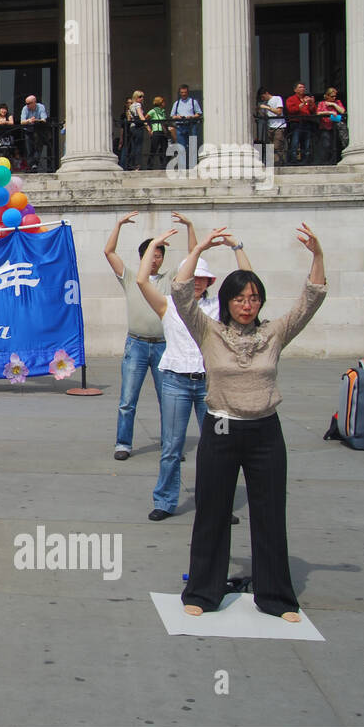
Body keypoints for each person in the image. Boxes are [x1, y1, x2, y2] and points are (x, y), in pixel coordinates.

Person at [175, 224, 326, 622]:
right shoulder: (209, 331)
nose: (248, 305)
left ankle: (275, 596)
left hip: (264, 431)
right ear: (227, 301)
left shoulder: (274, 333)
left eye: (254, 298)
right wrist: (201, 246)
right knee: (213, 511)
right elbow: (179, 291)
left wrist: (318, 255)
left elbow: (309, 301)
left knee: (270, 512)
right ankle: (203, 591)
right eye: (240, 298)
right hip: (221, 428)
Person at [136, 223, 252, 521]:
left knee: (218, 448)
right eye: (192, 278)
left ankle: (219, 504)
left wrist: (237, 248)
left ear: (209, 282)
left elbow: (249, 284)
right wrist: (155, 245)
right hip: (175, 383)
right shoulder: (167, 306)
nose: (197, 283)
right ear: (181, 281)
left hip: (212, 387)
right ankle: (164, 500)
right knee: (172, 446)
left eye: (202, 279)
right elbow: (141, 279)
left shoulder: (218, 308)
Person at [104, 210, 180, 460]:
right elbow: (109, 252)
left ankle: (171, 445)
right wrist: (118, 225)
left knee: (167, 399)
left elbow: (193, 257)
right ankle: (122, 443)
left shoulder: (169, 279)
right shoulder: (131, 279)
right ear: (142, 258)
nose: (155, 260)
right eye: (151, 255)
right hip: (136, 344)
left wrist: (189, 227)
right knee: (128, 398)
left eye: (158, 255)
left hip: (163, 346)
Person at [169, 84, 202, 167]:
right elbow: (172, 115)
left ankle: (193, 165)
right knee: (181, 147)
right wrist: (177, 117)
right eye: (182, 92)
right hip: (180, 126)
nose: (183, 94)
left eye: (185, 92)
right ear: (180, 93)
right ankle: (182, 166)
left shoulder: (193, 102)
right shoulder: (176, 103)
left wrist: (192, 116)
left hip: (191, 125)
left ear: (188, 92)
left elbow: (199, 113)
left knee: (192, 144)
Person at [285, 82, 316, 164]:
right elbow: (291, 110)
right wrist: (302, 103)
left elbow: (313, 111)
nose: (303, 89)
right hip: (296, 123)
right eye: (300, 87)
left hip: (307, 122)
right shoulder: (291, 99)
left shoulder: (306, 98)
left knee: (306, 142)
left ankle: (305, 160)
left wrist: (311, 103)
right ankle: (293, 160)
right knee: (295, 142)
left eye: (303, 87)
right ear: (295, 90)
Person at [315, 87, 346, 165]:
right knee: (326, 144)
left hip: (336, 127)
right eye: (332, 96)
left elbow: (342, 111)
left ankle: (335, 160)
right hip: (325, 127)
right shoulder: (322, 103)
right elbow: (318, 113)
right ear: (327, 96)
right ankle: (325, 161)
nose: (334, 98)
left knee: (336, 144)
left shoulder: (337, 102)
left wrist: (333, 104)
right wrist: (329, 112)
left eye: (335, 96)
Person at [258, 89, 287, 165]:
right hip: (270, 127)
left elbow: (279, 112)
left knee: (277, 146)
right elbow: (265, 115)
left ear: (267, 93)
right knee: (270, 146)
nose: (263, 99)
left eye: (263, 97)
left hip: (279, 126)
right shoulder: (265, 102)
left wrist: (268, 108)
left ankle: (277, 163)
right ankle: (270, 163)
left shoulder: (277, 98)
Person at [20, 95, 48, 171]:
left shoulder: (41, 107)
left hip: (38, 130)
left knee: (38, 147)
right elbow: (22, 121)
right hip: (28, 130)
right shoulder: (25, 108)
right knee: (29, 149)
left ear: (34, 102)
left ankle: (35, 165)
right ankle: (30, 166)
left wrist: (35, 120)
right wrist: (29, 121)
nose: (27, 105)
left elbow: (44, 119)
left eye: (29, 103)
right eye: (26, 103)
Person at [124, 91, 148, 170]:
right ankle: (137, 165)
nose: (142, 98)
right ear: (135, 97)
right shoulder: (138, 105)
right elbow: (141, 116)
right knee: (138, 147)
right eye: (140, 96)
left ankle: (131, 164)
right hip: (138, 127)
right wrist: (148, 127)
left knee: (134, 146)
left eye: (142, 96)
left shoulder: (131, 106)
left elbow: (129, 119)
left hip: (132, 127)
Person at [147, 96, 169, 169]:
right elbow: (145, 118)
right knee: (154, 149)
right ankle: (149, 165)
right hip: (156, 131)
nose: (164, 103)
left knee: (163, 149)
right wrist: (149, 128)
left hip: (163, 132)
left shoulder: (163, 111)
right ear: (160, 103)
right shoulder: (153, 111)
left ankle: (163, 165)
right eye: (163, 102)